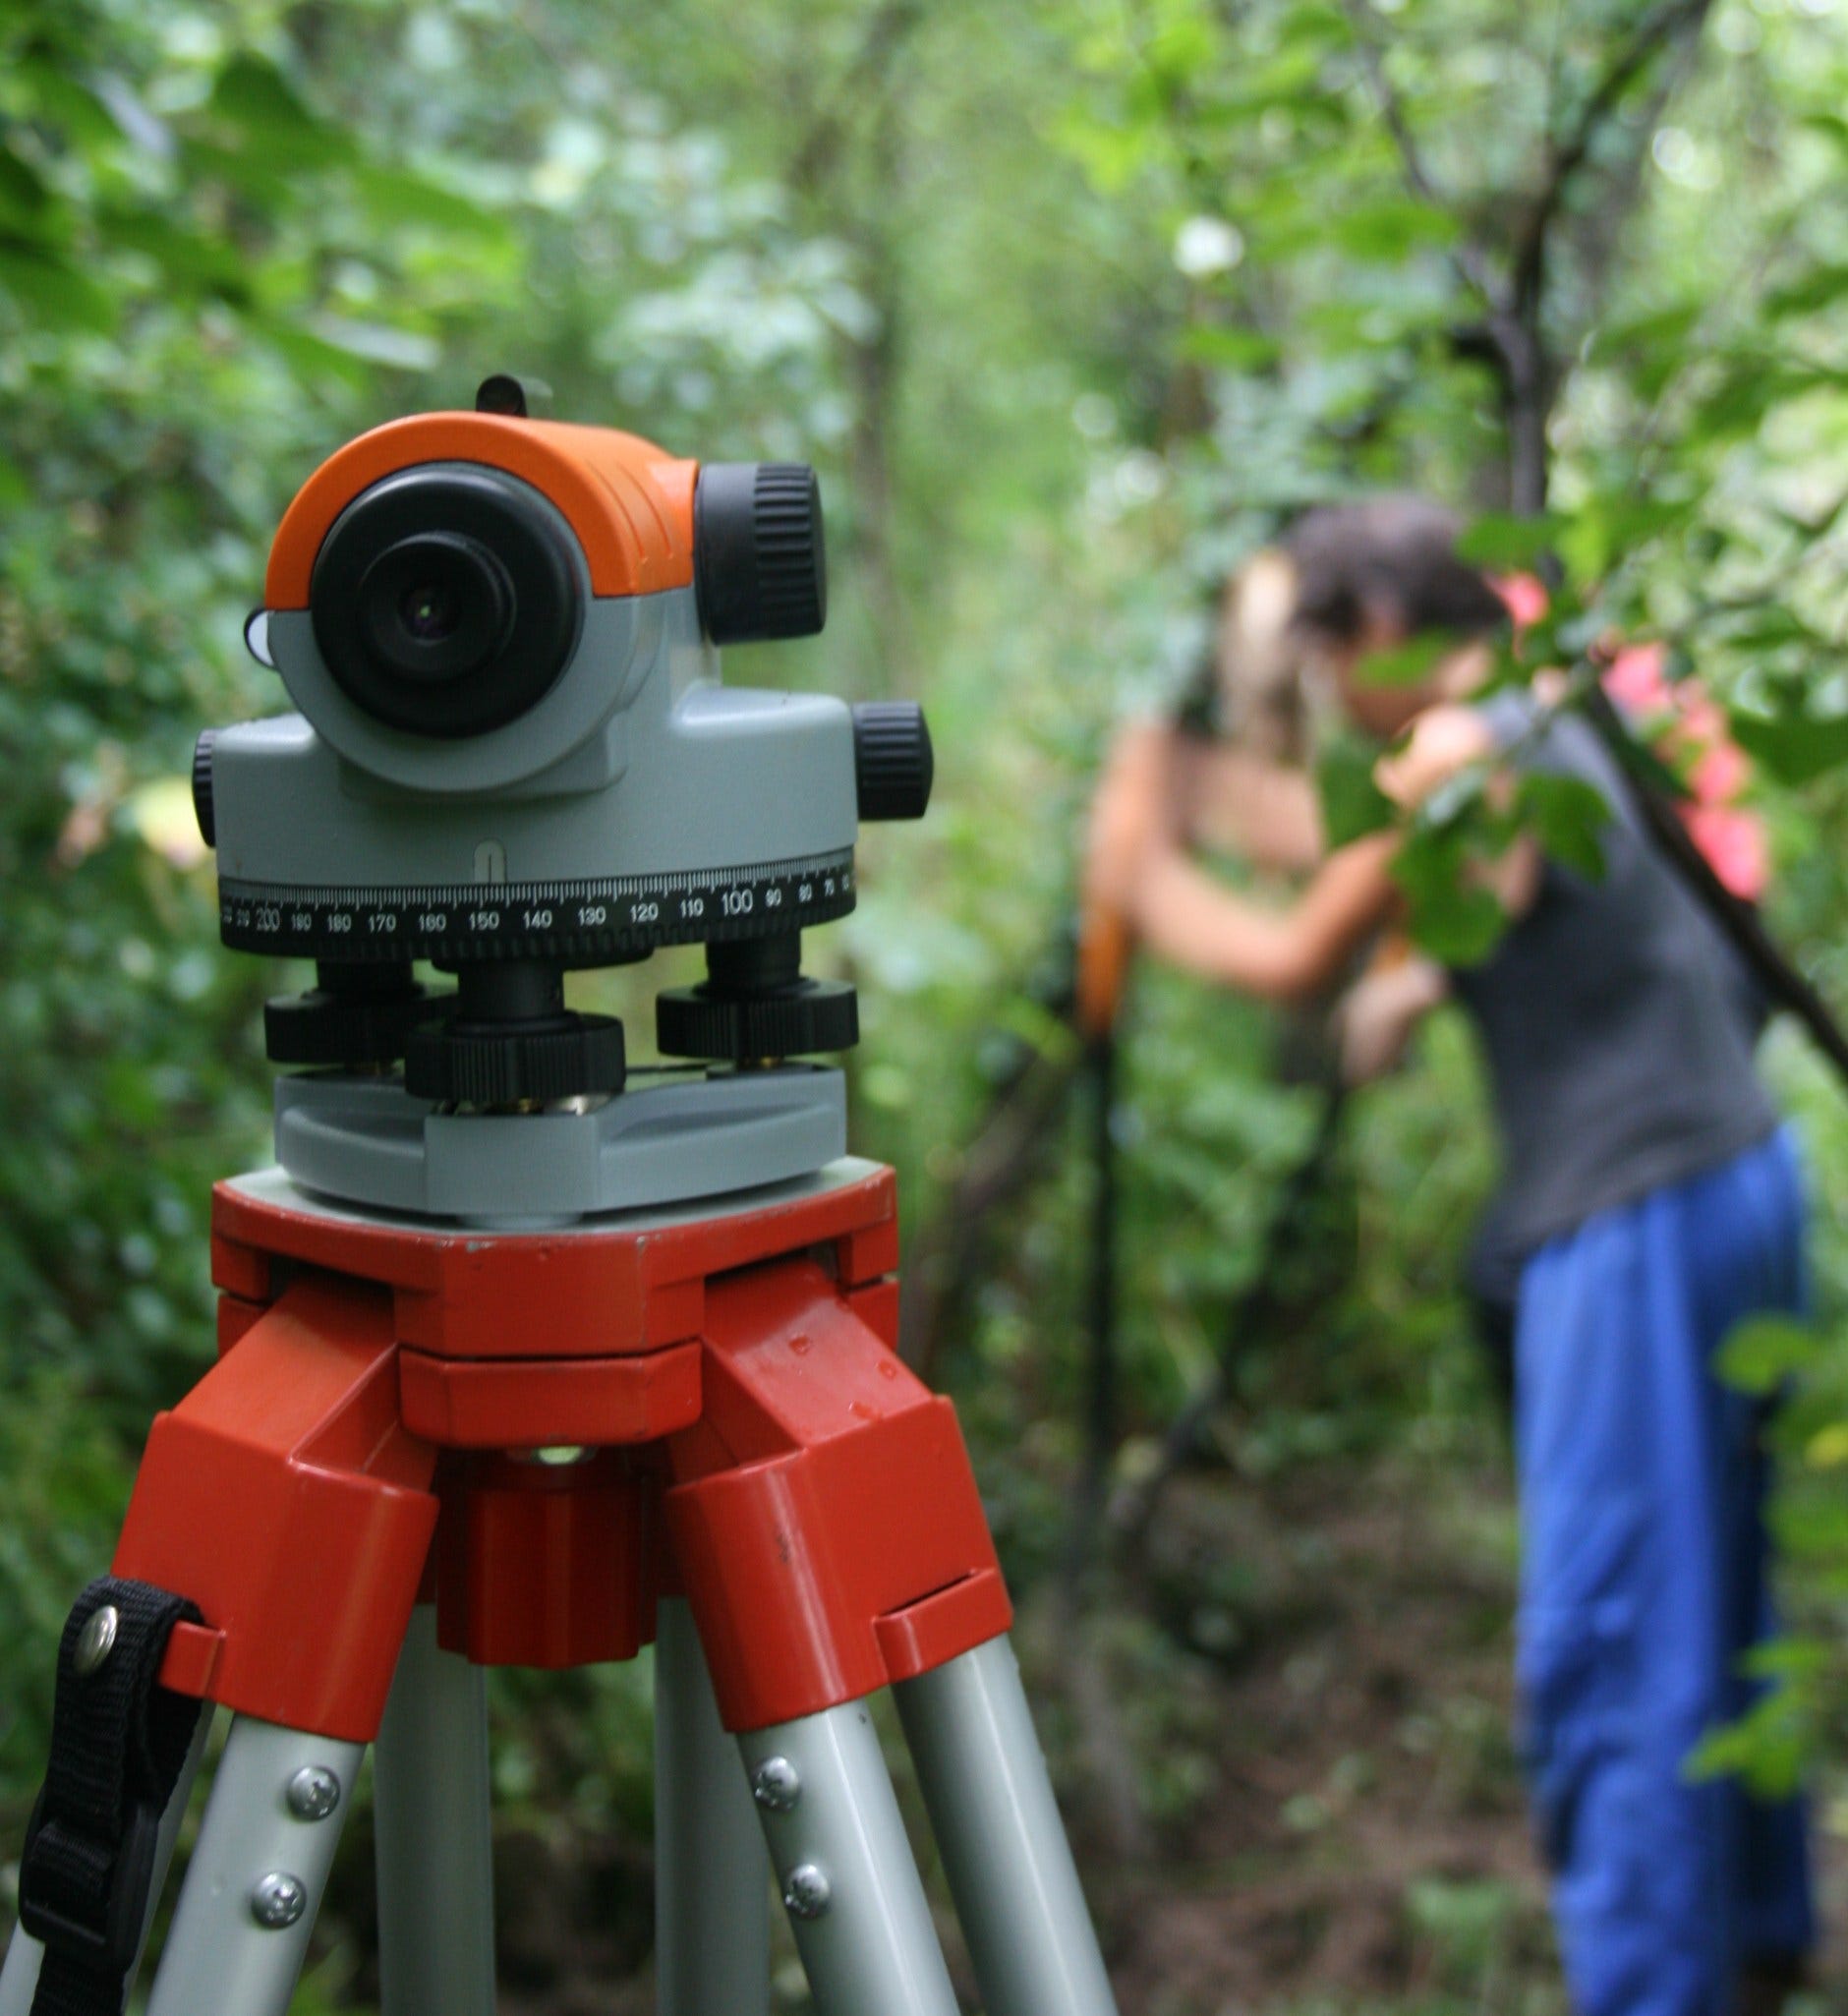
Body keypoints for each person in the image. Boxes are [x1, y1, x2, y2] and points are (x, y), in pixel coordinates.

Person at [1085, 496, 1816, 2016]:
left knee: (1611, 1644)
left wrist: (1140, 857)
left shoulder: (1457, 752)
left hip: (1631, 1220)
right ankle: (1763, 1934)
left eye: (1326, 671)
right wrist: (1409, 971)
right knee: (1723, 1590)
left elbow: (1294, 948)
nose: (1332, 714)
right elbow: (1455, 874)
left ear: (1378, 638)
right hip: (1744, 1171)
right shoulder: (1565, 700)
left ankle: (1652, 1992)